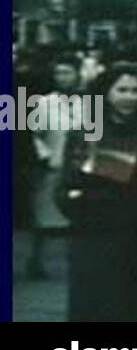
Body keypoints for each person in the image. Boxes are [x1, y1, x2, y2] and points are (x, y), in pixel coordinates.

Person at [59, 66, 137, 322]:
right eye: (122, 90)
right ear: (105, 93)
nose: (130, 97)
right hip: (95, 238)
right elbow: (68, 187)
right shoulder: (85, 133)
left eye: (135, 91)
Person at [25, 60, 81, 279]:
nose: (62, 77)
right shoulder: (44, 102)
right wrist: (44, 156)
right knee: (43, 219)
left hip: (77, 167)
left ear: (77, 74)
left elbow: (94, 133)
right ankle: (35, 260)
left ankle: (76, 262)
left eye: (67, 72)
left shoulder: (88, 102)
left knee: (76, 218)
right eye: (58, 72)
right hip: (52, 163)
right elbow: (34, 134)